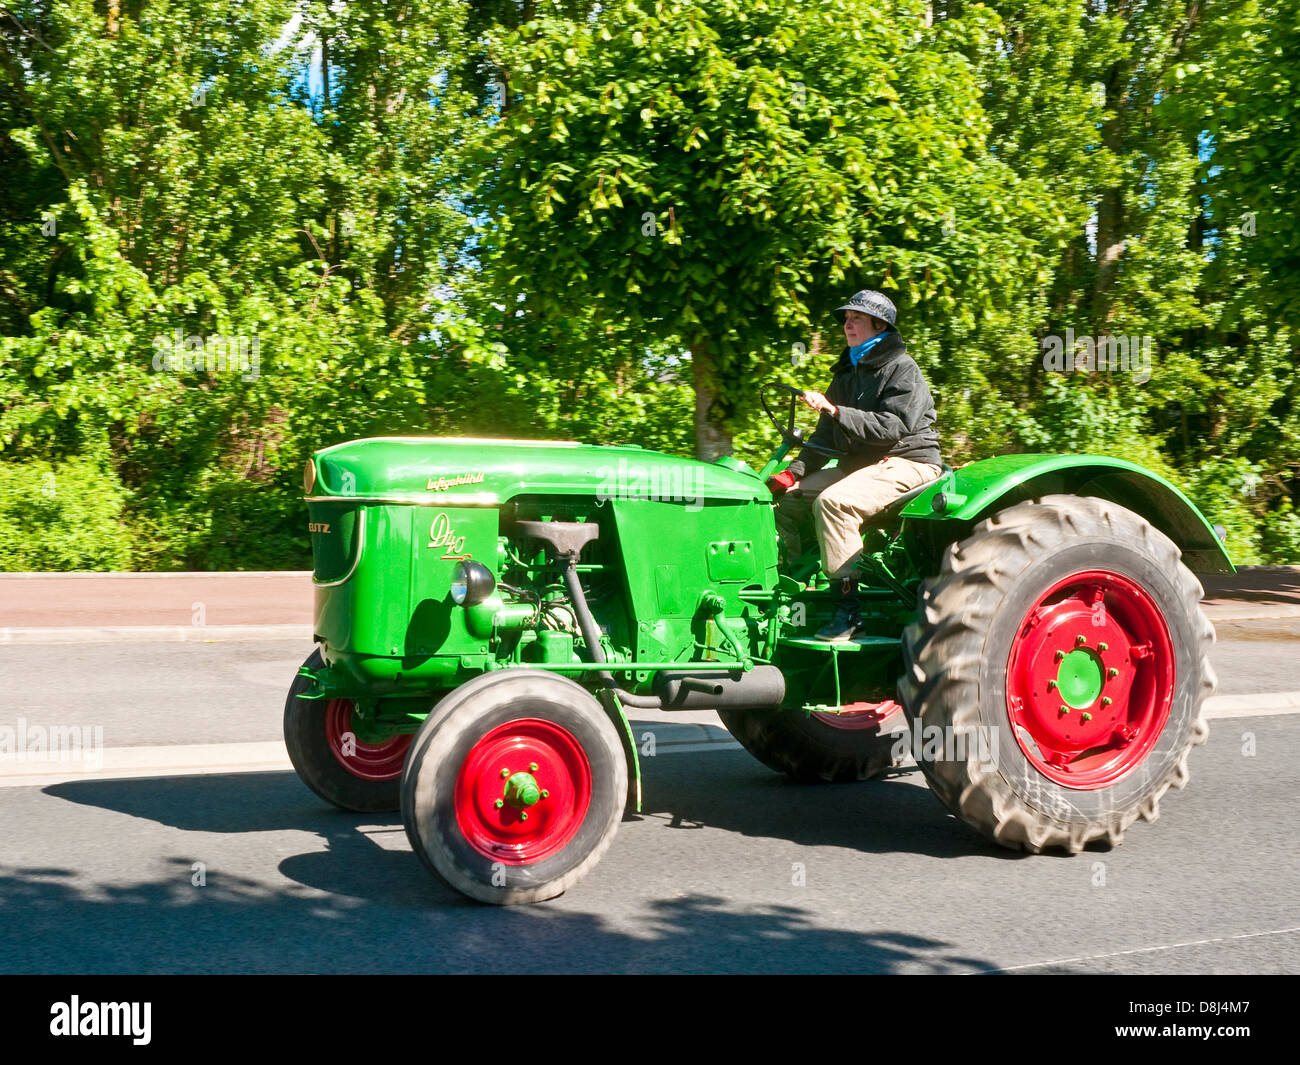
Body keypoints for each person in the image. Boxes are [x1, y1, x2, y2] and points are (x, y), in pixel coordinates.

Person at [769, 289, 942, 640]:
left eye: (856, 318)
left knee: (835, 503)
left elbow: (891, 428)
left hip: (906, 461)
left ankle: (848, 613)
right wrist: (793, 473)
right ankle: (794, 590)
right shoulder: (847, 372)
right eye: (846, 318)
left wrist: (835, 410)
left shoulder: (902, 369)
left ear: (879, 325)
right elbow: (823, 439)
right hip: (860, 466)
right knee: (784, 501)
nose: (847, 324)